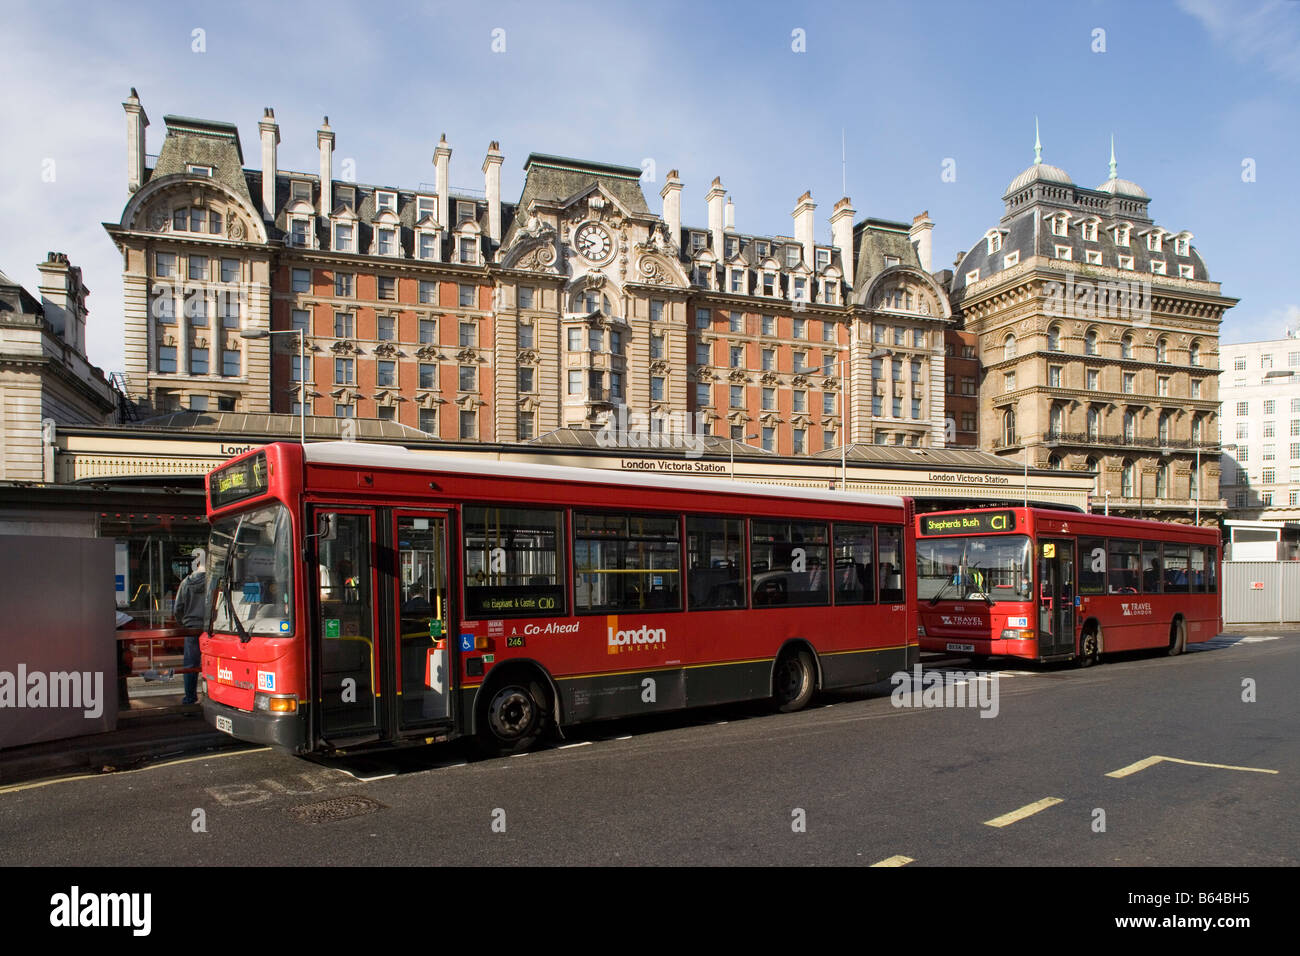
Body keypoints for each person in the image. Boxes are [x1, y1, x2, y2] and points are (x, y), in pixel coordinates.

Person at [173, 547, 208, 706]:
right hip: (209, 629)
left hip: (191, 628)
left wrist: (183, 623)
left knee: (190, 665)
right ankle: (211, 696)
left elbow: (177, 609)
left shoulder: (186, 583)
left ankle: (190, 698)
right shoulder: (212, 583)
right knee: (210, 664)